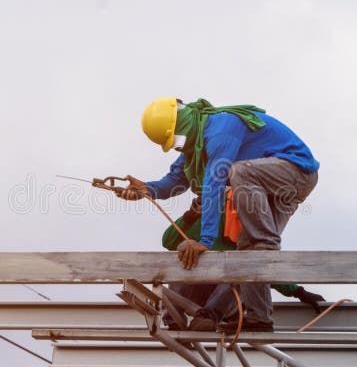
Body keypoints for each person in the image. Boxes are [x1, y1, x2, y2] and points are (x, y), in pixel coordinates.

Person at [117, 97, 320, 332]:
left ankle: (261, 252)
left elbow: (214, 181)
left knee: (241, 175)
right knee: (247, 247)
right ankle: (259, 318)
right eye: (173, 144)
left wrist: (205, 241)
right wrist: (147, 190)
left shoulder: (222, 129)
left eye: (178, 139)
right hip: (268, 185)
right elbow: (174, 180)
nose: (179, 145)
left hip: (296, 173)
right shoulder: (196, 143)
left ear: (184, 123)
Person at [161, 196, 326, 331]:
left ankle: (208, 317)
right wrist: (189, 218)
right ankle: (174, 319)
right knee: (185, 249)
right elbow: (168, 241)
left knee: (243, 263)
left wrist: (298, 291)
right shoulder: (205, 222)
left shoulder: (250, 232)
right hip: (197, 293)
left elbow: (260, 267)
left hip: (227, 302)